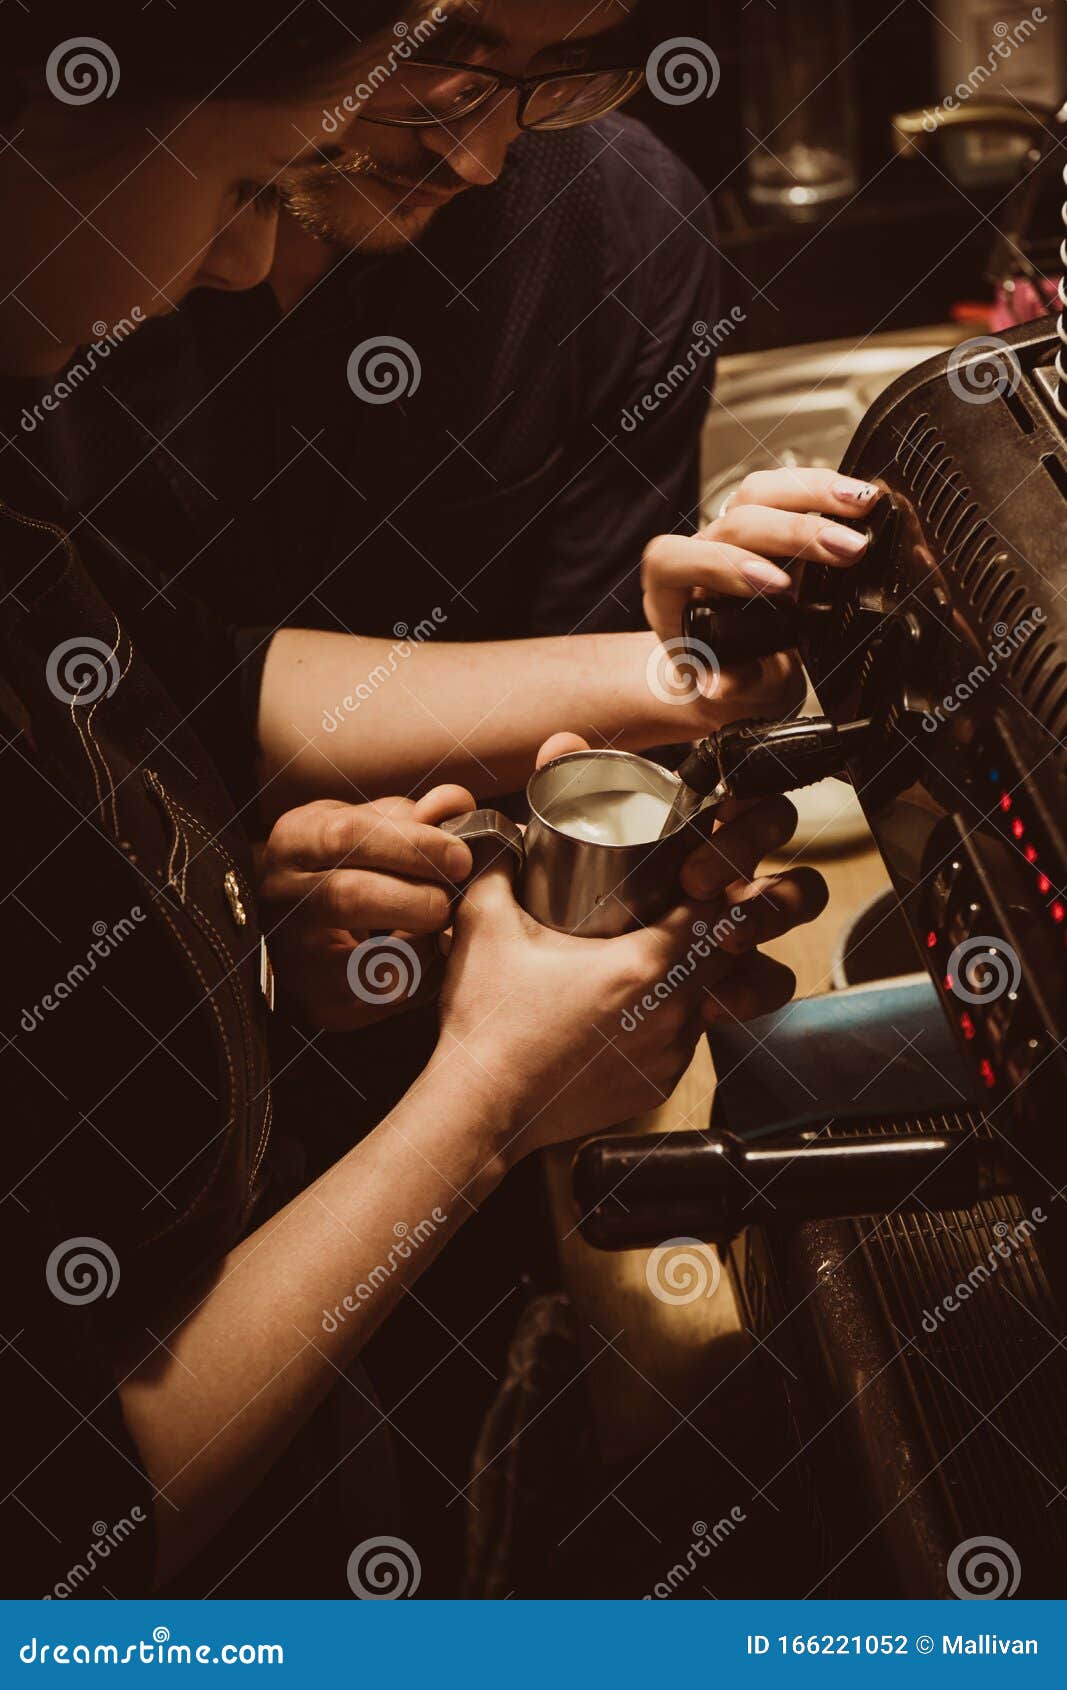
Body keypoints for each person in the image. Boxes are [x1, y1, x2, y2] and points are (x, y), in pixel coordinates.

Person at [0, 3, 871, 1599]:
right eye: (257, 178)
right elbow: (61, 1536)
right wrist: (478, 1105)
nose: (252, 264)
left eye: (556, 80)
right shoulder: (76, 312)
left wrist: (674, 684)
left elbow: (179, 680)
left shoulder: (615, 236)